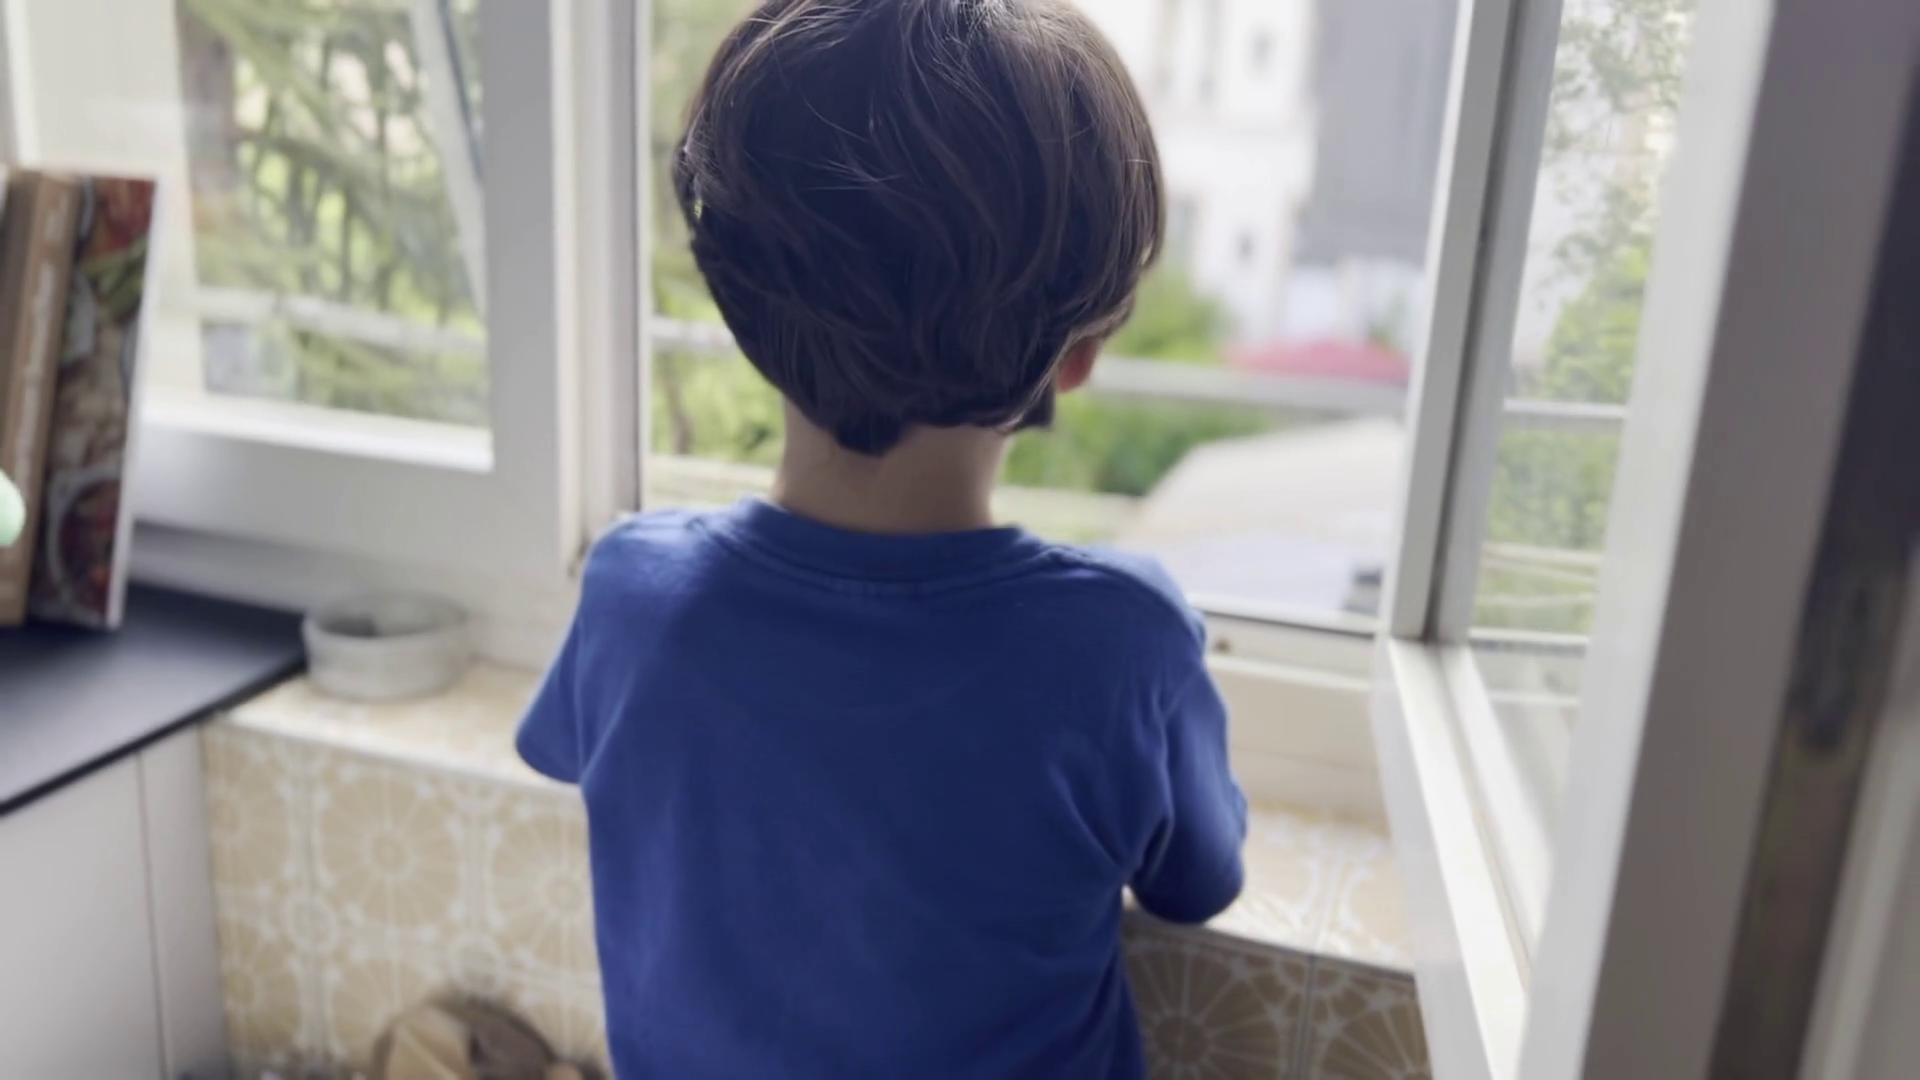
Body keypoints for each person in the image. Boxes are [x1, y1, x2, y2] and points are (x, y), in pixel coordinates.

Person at [516, 0, 1247, 1074]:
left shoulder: (633, 595)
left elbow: (592, 762)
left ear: (741, 312)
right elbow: (1198, 882)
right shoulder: (1119, 647)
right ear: (1081, 353)